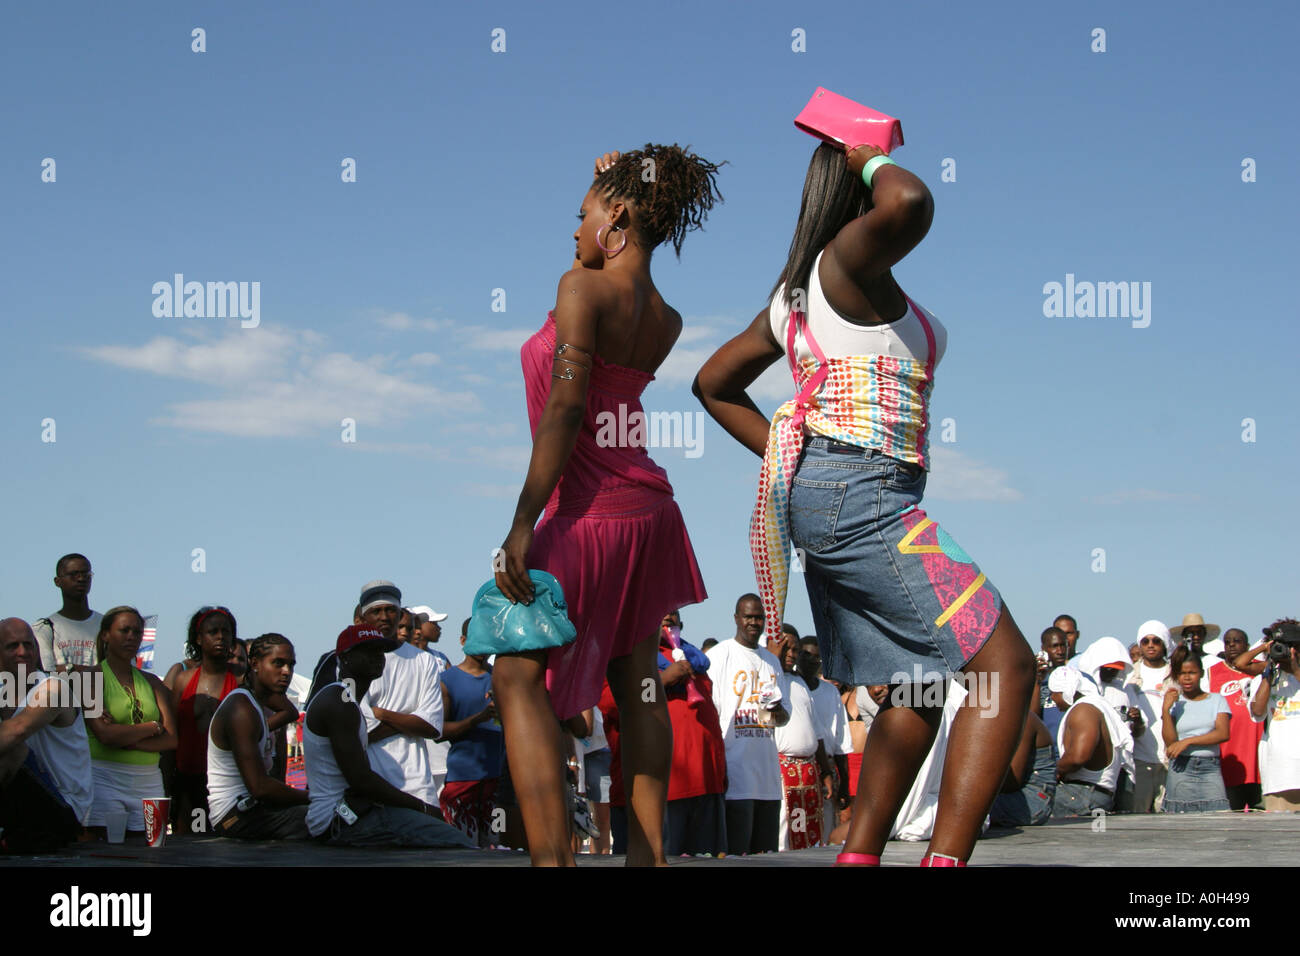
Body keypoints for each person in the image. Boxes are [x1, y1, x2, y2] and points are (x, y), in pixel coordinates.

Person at [693, 137, 1035, 866]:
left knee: (916, 689)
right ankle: (946, 862)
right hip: (864, 493)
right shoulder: (841, 268)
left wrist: (799, 461)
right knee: (1004, 666)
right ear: (856, 190)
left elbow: (712, 384)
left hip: (837, 494)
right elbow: (911, 201)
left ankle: (860, 856)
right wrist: (866, 153)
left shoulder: (796, 298)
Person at [491, 146, 720, 866]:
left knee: (513, 672)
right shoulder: (665, 316)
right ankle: (646, 861)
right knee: (638, 677)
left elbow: (565, 407)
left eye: (582, 215)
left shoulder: (580, 291)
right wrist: (622, 185)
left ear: (616, 214)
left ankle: (552, 863)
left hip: (587, 511)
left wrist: (522, 525)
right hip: (650, 511)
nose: (573, 232)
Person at [303, 624, 472, 847]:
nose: (378, 657)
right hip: (339, 820)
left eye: (381, 651)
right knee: (456, 840)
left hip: (350, 813)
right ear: (344, 658)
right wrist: (422, 807)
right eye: (368, 650)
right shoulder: (339, 701)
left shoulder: (348, 700)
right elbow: (362, 780)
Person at [85, 607, 178, 838]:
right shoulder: (89, 679)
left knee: (155, 849)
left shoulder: (153, 682)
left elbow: (172, 739)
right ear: (106, 635)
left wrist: (128, 741)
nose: (131, 637)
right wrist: (152, 727)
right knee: (107, 852)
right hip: (105, 779)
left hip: (149, 781)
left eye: (137, 632)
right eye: (124, 630)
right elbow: (105, 735)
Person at [706, 594, 789, 855]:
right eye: (748, 617)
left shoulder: (772, 661)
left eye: (759, 617)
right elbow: (712, 714)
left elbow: (782, 718)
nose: (754, 622)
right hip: (736, 775)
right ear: (736, 619)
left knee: (765, 856)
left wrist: (773, 711)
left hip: (767, 778)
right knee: (736, 855)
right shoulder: (721, 655)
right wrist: (718, 766)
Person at [207, 633, 310, 839]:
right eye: (278, 664)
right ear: (254, 663)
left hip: (251, 809)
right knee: (323, 818)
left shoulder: (254, 700)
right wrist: (312, 797)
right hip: (233, 816)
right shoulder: (241, 709)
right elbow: (260, 788)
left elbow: (289, 711)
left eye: (291, 665)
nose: (286, 672)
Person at [357, 582, 445, 808]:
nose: (385, 617)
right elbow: (362, 732)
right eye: (376, 611)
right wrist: (411, 719)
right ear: (364, 617)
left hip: (418, 785)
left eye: (391, 610)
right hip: (373, 783)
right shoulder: (352, 661)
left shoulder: (424, 660)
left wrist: (380, 713)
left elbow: (432, 726)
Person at [0, 618, 94, 830]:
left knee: (11, 749)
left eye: (28, 645)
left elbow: (16, 731)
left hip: (64, 807)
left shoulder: (54, 689)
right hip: (25, 801)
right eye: (12, 646)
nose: (23, 652)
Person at [655, 610, 727, 856]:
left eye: (673, 613)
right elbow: (633, 699)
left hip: (708, 778)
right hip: (671, 782)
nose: (668, 616)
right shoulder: (640, 657)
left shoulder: (695, 659)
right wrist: (663, 679)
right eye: (662, 611)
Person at [163, 606, 241, 834]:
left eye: (226, 632)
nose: (220, 637)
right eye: (213, 632)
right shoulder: (183, 680)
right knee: (188, 844)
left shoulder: (240, 682)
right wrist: (165, 787)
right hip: (187, 781)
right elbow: (171, 735)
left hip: (225, 784)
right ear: (198, 638)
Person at [1052, 637, 1135, 817]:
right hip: (1091, 793)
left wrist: (1053, 771)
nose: (1052, 700)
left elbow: (1078, 757)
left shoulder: (1084, 710)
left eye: (1054, 694)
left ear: (1064, 690)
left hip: (1084, 794)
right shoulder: (1095, 705)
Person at [439, 624, 504, 846]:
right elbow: (439, 731)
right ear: (463, 641)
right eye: (476, 638)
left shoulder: (501, 678)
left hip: (498, 782)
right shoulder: (447, 680)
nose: (482, 644)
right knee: (461, 848)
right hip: (462, 780)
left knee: (497, 846)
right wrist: (479, 718)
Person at [774, 637, 834, 850]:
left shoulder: (800, 682)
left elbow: (816, 731)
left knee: (808, 831)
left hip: (808, 769)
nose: (791, 654)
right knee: (784, 832)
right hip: (782, 771)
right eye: (786, 649)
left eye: (795, 650)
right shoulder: (770, 679)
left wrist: (825, 772)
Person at [1160, 645, 1230, 813]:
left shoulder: (1217, 700)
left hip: (1209, 767)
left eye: (1192, 673)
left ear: (1201, 674)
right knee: (1180, 823)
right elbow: (1170, 743)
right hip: (1181, 768)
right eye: (1182, 674)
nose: (1187, 678)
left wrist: (1188, 741)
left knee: (1218, 820)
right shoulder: (1176, 704)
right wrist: (1165, 710)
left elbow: (1223, 733)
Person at [1243, 620, 1300, 811]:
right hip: (1280, 773)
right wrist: (1268, 676)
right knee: (1281, 835)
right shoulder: (1266, 676)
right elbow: (1258, 712)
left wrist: (1294, 668)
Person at [1207, 627, 1265, 810]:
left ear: (1247, 645)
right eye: (1228, 641)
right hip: (1229, 757)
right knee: (1233, 818)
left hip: (1258, 757)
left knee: (1263, 817)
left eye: (1237, 641)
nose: (1232, 645)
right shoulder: (1212, 672)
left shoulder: (1259, 668)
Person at [799, 636, 852, 832]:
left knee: (826, 824)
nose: (812, 661)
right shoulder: (790, 686)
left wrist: (844, 784)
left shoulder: (830, 692)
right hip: (800, 766)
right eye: (806, 655)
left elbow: (841, 742)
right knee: (799, 827)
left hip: (827, 767)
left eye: (817, 657)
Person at [1121, 620, 1172, 813]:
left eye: (1156, 641)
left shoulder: (1175, 674)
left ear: (1165, 644)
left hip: (1169, 759)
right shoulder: (1130, 675)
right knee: (1139, 817)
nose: (1151, 645)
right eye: (1145, 641)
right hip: (1140, 759)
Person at [31, 553, 101, 673]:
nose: (81, 579)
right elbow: (46, 672)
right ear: (57, 581)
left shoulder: (106, 625)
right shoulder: (45, 627)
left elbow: (119, 672)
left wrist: (68, 669)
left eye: (86, 574)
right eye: (73, 575)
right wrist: (74, 669)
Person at [989, 711, 1057, 827]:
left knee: (962, 809)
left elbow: (1013, 781)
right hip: (1012, 795)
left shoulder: (1021, 718)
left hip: (1032, 799)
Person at [1037, 627, 1070, 740]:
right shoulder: (1037, 680)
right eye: (1055, 646)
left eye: (1063, 645)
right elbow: (1032, 715)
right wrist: (1038, 681)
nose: (1060, 651)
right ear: (1044, 649)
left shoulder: (1077, 679)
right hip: (1046, 752)